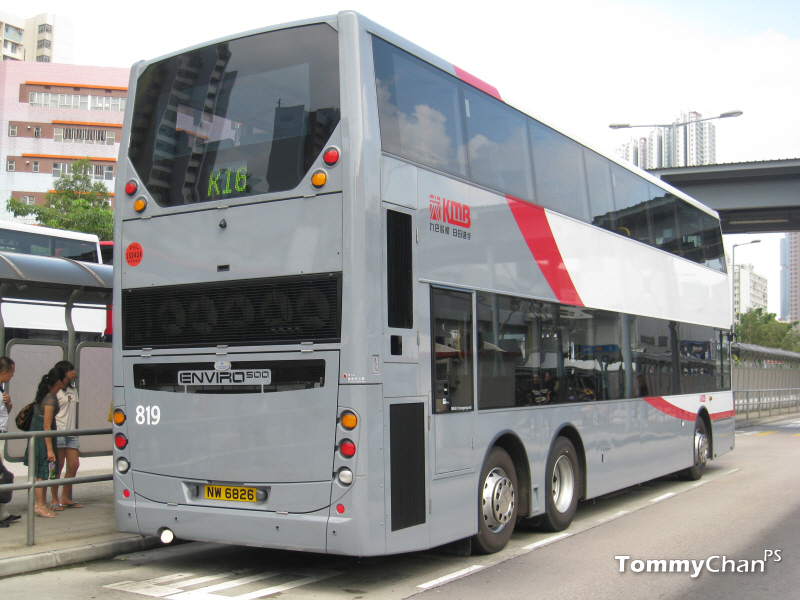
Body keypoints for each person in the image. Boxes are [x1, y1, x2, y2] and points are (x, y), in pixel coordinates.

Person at [23, 367, 66, 518]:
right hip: (43, 440)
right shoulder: (50, 399)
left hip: (41, 437)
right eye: (64, 380)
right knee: (40, 473)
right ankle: (39, 504)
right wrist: (50, 449)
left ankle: (42, 503)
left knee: (42, 472)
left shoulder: (46, 395)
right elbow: (46, 426)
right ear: (59, 382)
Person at [50, 361, 82, 510]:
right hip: (59, 431)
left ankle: (65, 496)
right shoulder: (56, 391)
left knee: (74, 464)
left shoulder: (73, 390)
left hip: (71, 432)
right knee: (59, 465)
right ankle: (54, 499)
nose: (73, 372)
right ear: (63, 372)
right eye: (70, 370)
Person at [0, 357, 19, 527]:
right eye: (12, 372)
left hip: (2, 435)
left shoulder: (1, 389)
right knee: (3, 476)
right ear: (4, 372)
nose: (13, 375)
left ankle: (2, 514)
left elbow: (4, 413)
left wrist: (9, 402)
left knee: (4, 476)